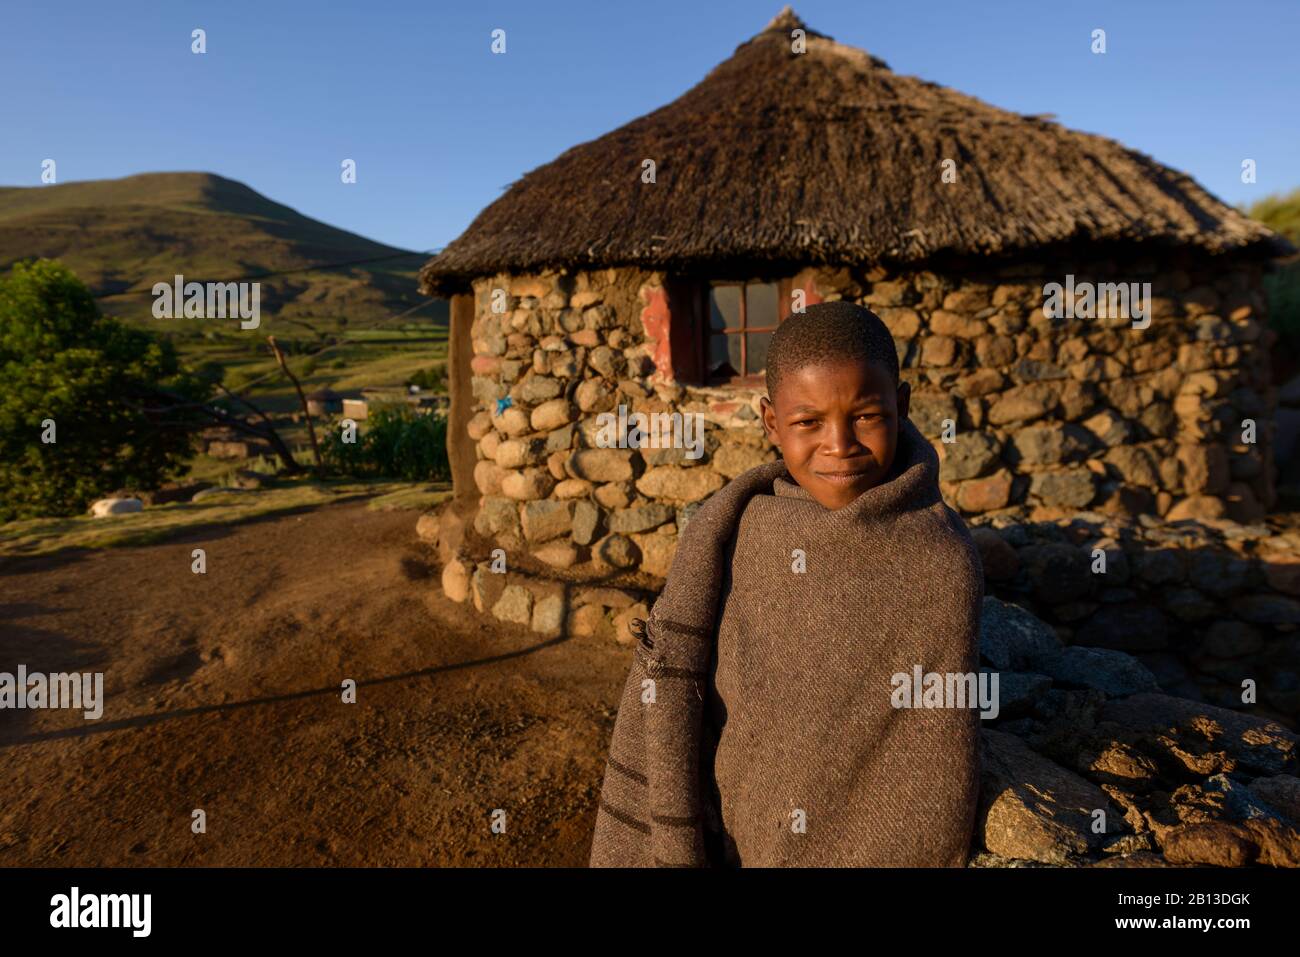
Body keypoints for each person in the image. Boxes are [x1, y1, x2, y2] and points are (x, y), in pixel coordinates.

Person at [590, 301, 985, 867]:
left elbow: (932, 757)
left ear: (901, 405)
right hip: (734, 829)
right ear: (771, 421)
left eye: (867, 416)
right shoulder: (742, 534)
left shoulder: (938, 559)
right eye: (808, 422)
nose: (839, 443)